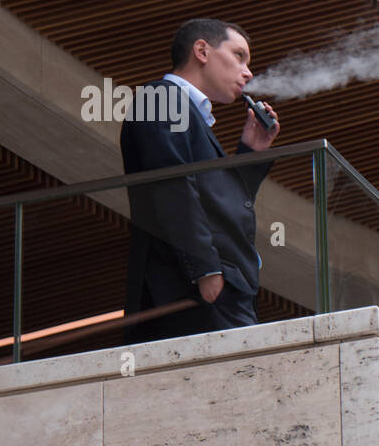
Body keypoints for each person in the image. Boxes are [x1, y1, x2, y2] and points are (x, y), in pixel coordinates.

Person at [120, 18, 280, 343]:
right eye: (239, 56)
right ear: (202, 51)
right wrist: (205, 271)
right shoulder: (160, 96)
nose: (248, 72)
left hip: (217, 288)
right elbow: (171, 186)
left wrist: (250, 152)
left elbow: (223, 204)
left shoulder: (188, 114)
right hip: (188, 287)